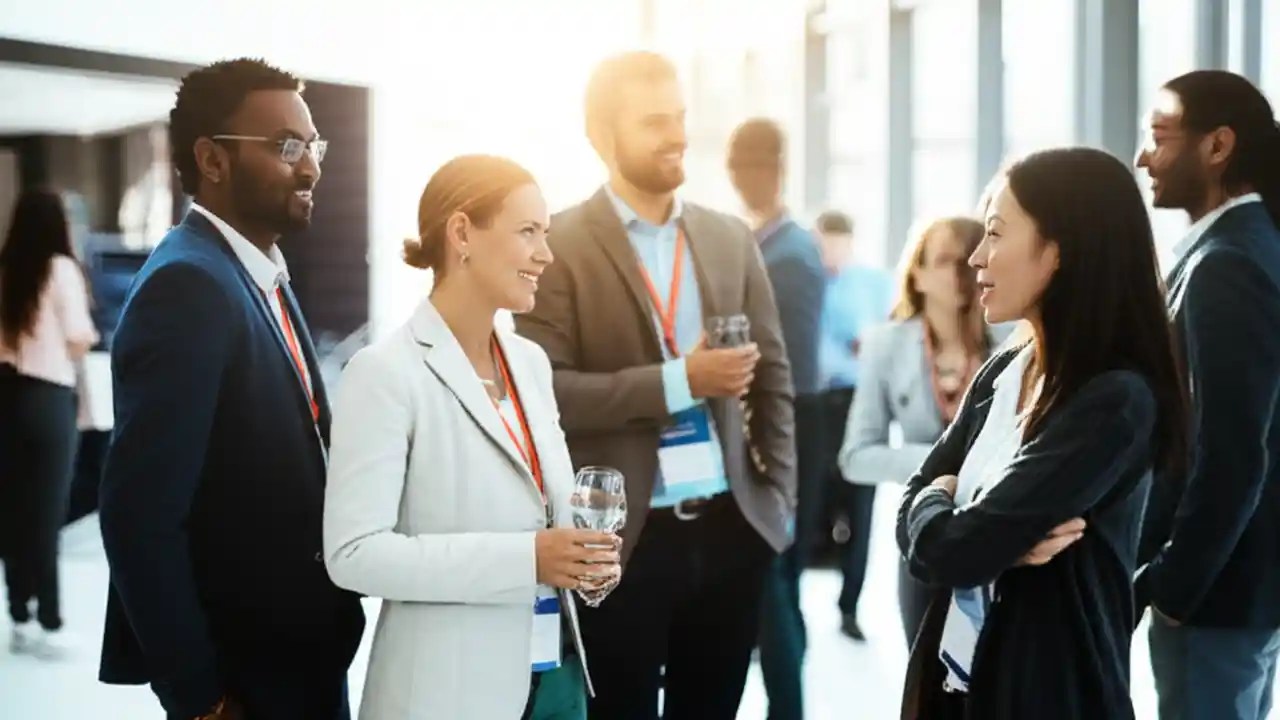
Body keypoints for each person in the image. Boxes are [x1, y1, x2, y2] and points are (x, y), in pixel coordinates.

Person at [514, 51, 796, 720]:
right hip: (621, 541)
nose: (676, 135)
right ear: (601, 136)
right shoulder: (559, 243)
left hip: (732, 531)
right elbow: (544, 389)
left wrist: (776, 503)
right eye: (653, 122)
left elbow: (775, 378)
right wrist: (679, 381)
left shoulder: (729, 238)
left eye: (679, 118)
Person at [97, 59, 364, 720]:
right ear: (212, 160)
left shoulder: (254, 272)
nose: (311, 168)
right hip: (246, 681)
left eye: (314, 146)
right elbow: (140, 519)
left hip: (297, 662)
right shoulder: (187, 287)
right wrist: (199, 698)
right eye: (287, 147)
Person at [323, 154, 621, 720]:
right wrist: (528, 560)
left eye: (547, 233)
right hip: (449, 695)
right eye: (528, 232)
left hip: (558, 683)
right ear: (462, 233)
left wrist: (582, 558)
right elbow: (353, 555)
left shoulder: (530, 363)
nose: (546, 253)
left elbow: (547, 516)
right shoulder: (384, 373)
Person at [897, 148, 1187, 719]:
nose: (978, 257)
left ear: (1061, 251)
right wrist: (946, 505)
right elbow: (922, 519)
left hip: (1048, 694)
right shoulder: (1007, 368)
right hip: (958, 684)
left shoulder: (1114, 401)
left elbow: (954, 549)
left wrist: (960, 518)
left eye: (997, 234)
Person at [1134, 69, 1280, 720]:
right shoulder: (1243, 249)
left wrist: (1173, 588)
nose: (1143, 156)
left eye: (1159, 137)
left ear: (1217, 146)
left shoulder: (1226, 265)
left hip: (1217, 596)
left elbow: (1232, 451)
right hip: (1239, 589)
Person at [839, 216, 997, 648]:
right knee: (927, 686)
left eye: (970, 258)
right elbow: (855, 457)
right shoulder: (885, 345)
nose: (961, 271)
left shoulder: (1012, 340)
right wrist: (944, 465)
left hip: (1004, 536)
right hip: (926, 531)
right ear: (918, 275)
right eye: (945, 260)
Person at [726, 118, 824, 720]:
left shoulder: (790, 254)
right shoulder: (765, 241)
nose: (741, 179)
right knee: (777, 583)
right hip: (774, 432)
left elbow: (784, 371)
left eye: (750, 168)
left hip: (783, 435)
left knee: (773, 582)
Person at [0, 188, 98, 659]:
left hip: (4, 396)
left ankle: (18, 613)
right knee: (47, 512)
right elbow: (79, 339)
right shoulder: (60, 270)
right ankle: (51, 619)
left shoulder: (4, 271)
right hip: (47, 396)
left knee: (13, 509)